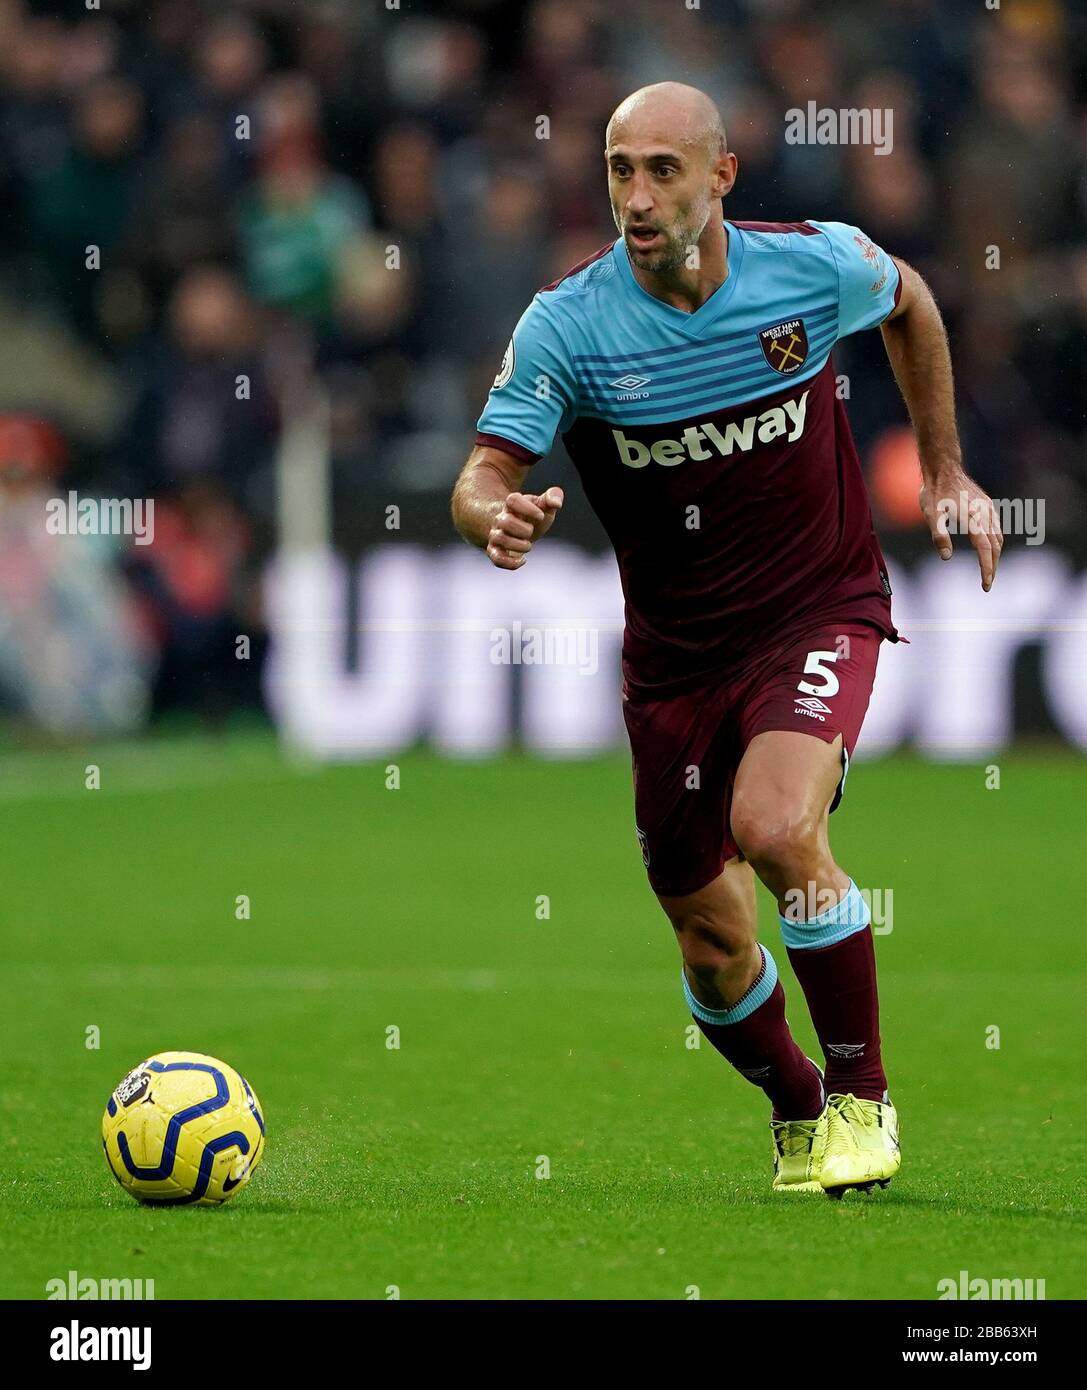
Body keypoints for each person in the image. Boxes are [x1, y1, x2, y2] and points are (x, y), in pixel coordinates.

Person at [451, 82, 1002, 1196]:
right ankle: (799, 1105)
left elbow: (910, 304)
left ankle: (864, 1099)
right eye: (617, 169)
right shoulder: (568, 325)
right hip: (674, 664)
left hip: (817, 607)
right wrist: (486, 515)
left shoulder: (810, 265)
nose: (637, 196)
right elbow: (482, 473)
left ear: (720, 177)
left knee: (776, 824)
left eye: (662, 169)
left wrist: (943, 466)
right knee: (708, 939)